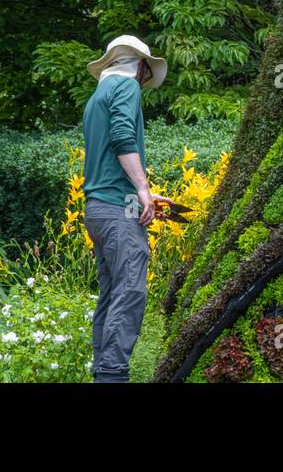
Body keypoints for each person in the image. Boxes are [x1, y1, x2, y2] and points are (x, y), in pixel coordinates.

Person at [81, 35, 174, 383]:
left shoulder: (97, 97)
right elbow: (123, 138)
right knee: (130, 290)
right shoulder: (126, 87)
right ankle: (112, 375)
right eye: (146, 72)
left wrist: (145, 199)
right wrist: (143, 188)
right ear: (141, 66)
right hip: (117, 211)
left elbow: (108, 165)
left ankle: (103, 372)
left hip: (100, 209)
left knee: (112, 292)